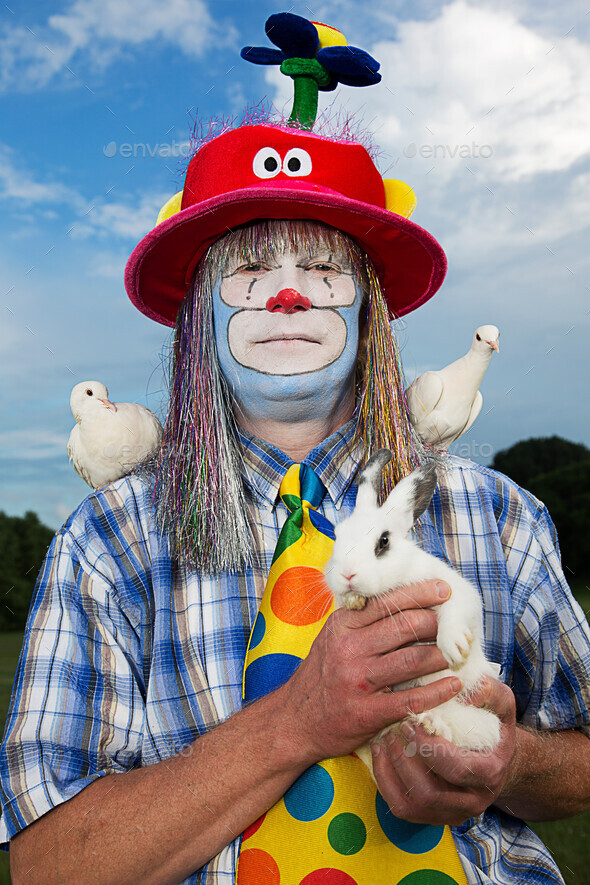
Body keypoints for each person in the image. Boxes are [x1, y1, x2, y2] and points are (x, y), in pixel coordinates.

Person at [3, 16, 590, 885]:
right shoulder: (108, 543)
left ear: (370, 311)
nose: (285, 295)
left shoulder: (498, 515)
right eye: (248, 272)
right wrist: (298, 721)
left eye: (322, 269)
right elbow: (47, 864)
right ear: (201, 315)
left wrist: (513, 760)